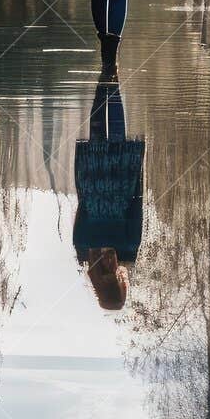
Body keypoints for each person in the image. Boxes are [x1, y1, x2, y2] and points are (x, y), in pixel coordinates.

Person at [72, 78, 145, 310]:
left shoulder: (128, 252)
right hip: (93, 182)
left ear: (121, 287)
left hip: (122, 179)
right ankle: (105, 75)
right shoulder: (84, 250)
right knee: (96, 121)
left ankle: (111, 73)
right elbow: (81, 208)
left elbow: (137, 209)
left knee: (115, 123)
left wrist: (137, 173)